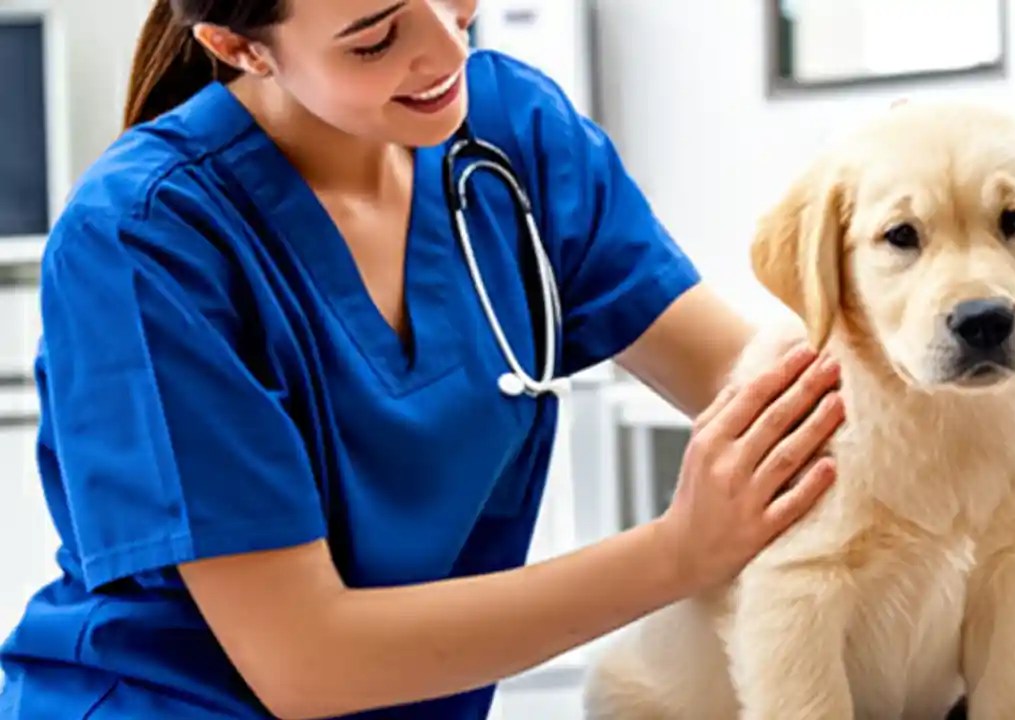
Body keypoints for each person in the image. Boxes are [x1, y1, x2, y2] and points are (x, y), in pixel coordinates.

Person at [0, 1, 845, 718]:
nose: (446, 49)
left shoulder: (513, 132)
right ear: (239, 46)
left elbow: (783, 405)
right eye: (374, 38)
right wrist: (678, 553)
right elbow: (305, 661)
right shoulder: (145, 240)